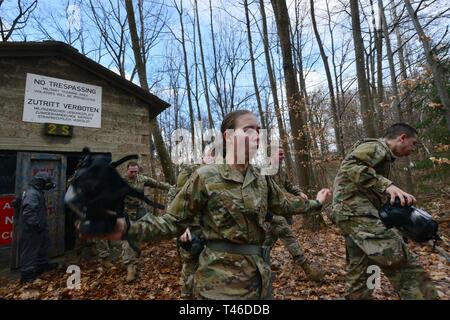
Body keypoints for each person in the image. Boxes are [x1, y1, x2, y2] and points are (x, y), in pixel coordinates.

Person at [84, 110, 332, 299]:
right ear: (228, 136)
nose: (256, 135)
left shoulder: (261, 178)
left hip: (260, 280)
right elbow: (172, 222)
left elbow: (284, 206)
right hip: (218, 284)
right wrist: (125, 228)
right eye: (248, 129)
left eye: (258, 129)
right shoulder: (206, 176)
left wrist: (316, 203)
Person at [331, 123, 438, 300]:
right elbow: (349, 166)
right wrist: (387, 185)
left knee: (362, 269)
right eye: (413, 143)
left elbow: (361, 182)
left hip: (350, 215)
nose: (412, 149)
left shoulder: (382, 155)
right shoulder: (377, 147)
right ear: (401, 137)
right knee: (402, 262)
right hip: (357, 214)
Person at [96, 161, 172, 282]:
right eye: (132, 172)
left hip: (141, 212)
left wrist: (171, 187)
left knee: (141, 235)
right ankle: (130, 266)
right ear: (127, 170)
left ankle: (132, 257)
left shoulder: (141, 179)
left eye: (136, 171)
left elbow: (156, 183)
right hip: (126, 213)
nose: (134, 174)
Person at [263, 147, 325, 281]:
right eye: (279, 154)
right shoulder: (265, 171)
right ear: (272, 155)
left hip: (280, 213)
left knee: (267, 243)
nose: (282, 156)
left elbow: (288, 185)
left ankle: (261, 265)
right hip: (271, 214)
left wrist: (298, 192)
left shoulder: (281, 170)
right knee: (287, 238)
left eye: (283, 154)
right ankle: (308, 270)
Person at [19, 172, 58, 283]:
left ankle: (42, 265)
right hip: (32, 229)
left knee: (43, 245)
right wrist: (36, 225)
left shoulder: (35, 192)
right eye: (47, 183)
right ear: (41, 183)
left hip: (39, 227)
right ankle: (27, 276)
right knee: (30, 251)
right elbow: (28, 212)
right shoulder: (32, 193)